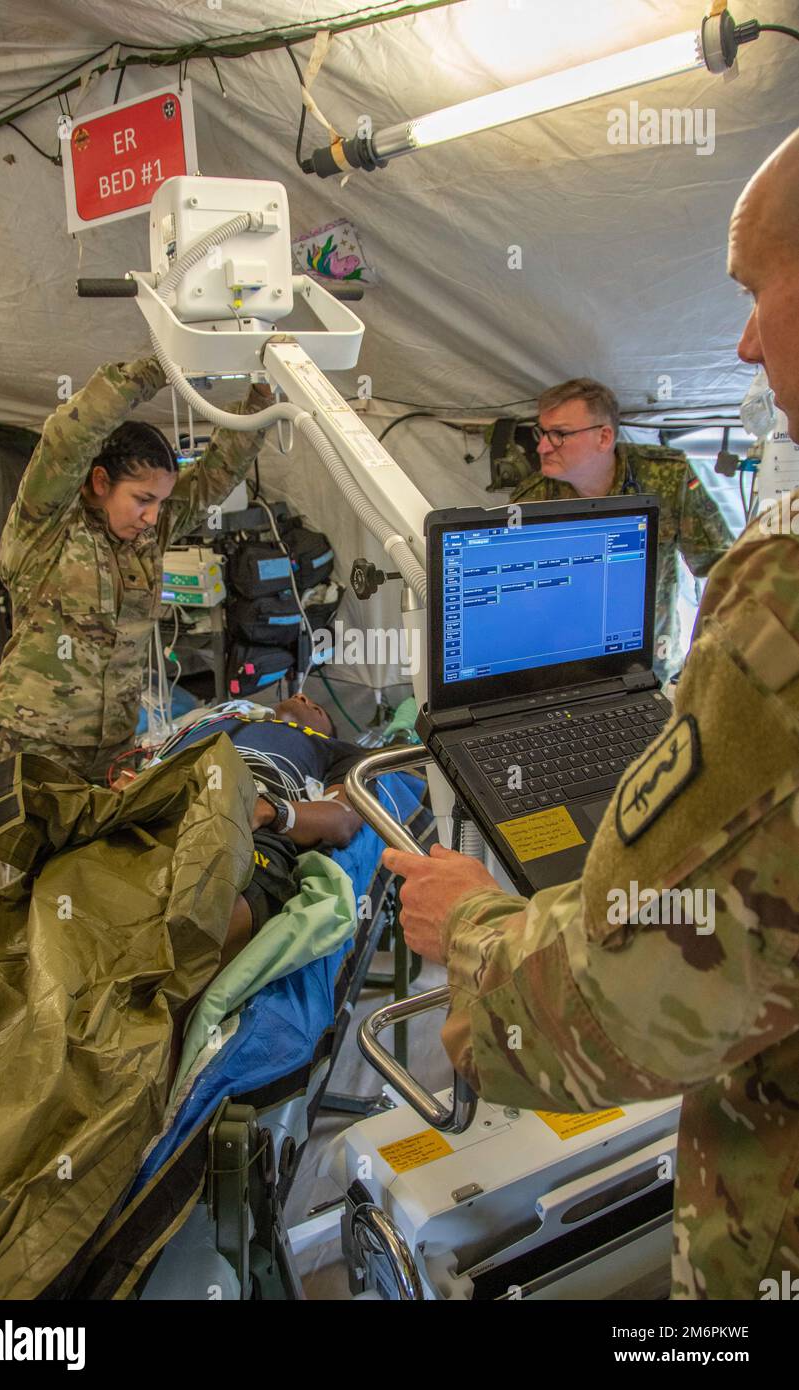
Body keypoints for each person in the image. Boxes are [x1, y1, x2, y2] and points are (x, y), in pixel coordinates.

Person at [383, 127, 799, 1301]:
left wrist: (469, 930)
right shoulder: (521, 515)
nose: (743, 340)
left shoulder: (762, 573)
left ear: (605, 439)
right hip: (588, 712)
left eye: (758, 290)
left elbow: (632, 1001)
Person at [0, 357, 270, 786]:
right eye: (142, 499)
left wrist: (262, 397)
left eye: (160, 503)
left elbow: (216, 474)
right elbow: (69, 437)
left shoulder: (146, 537)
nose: (153, 517)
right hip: (36, 744)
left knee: (105, 855)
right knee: (38, 855)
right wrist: (161, 366)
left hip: (114, 748)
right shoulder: (46, 527)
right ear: (100, 481)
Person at [502, 378, 734, 684]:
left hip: (648, 671)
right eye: (541, 432)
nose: (542, 447)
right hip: (561, 674)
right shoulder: (530, 501)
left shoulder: (667, 477)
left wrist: (707, 651)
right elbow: (514, 600)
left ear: (604, 437)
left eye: (558, 434)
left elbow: (723, 569)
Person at [152, 690, 366, 968]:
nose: (301, 696)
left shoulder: (335, 750)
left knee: (199, 922)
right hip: (163, 801)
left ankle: (154, 988)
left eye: (316, 706)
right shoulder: (210, 723)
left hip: (247, 821)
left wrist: (271, 810)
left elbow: (343, 819)